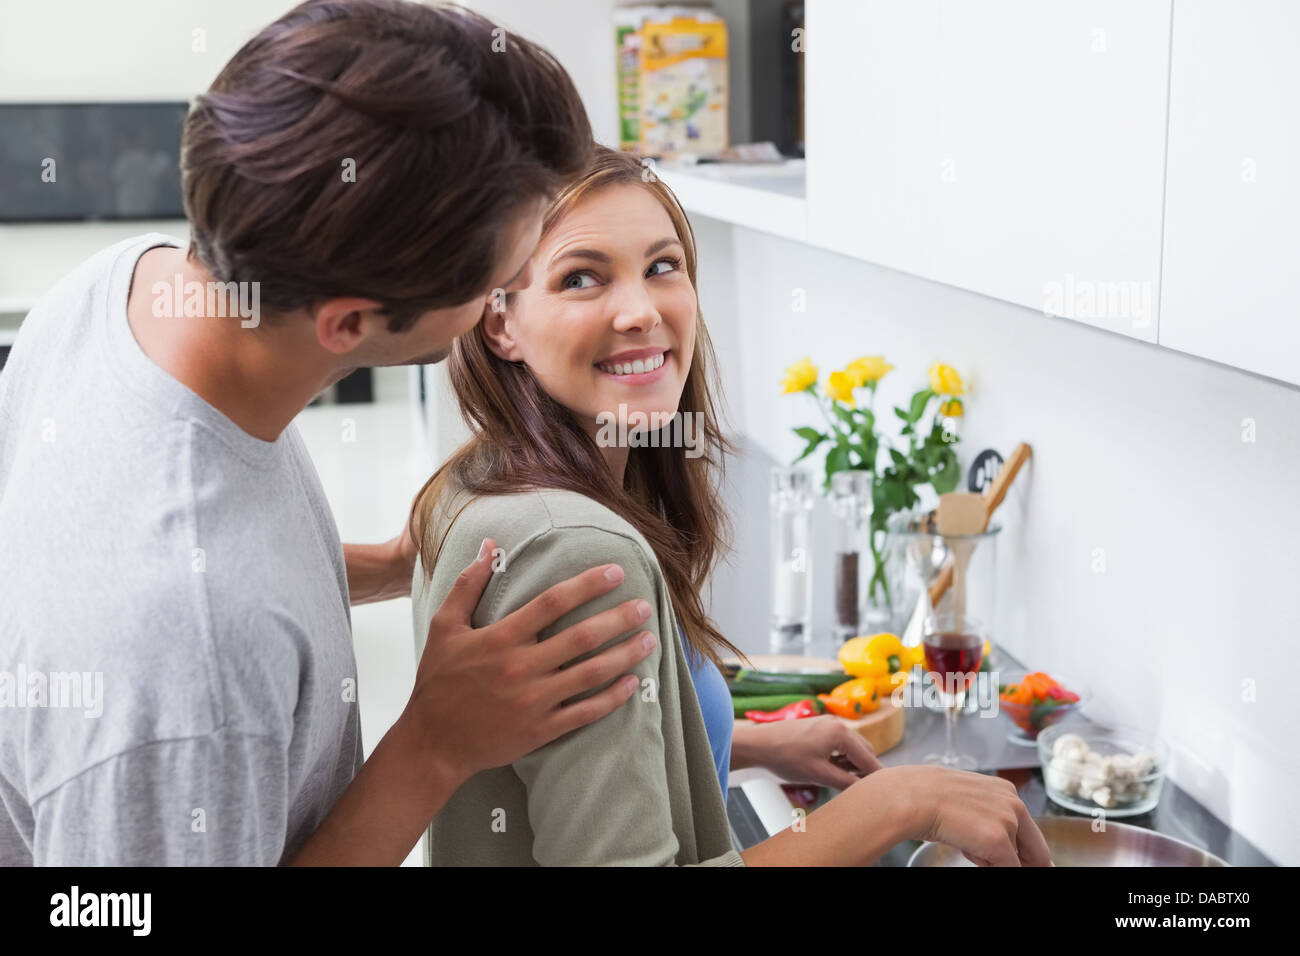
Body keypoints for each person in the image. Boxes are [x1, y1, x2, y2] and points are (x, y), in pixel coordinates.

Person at [0, 0, 658, 866]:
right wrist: (434, 744)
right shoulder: (180, 682)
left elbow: (98, 546)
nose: (508, 301)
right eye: (500, 284)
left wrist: (387, 566)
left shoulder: (126, 287)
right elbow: (186, 611)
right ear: (350, 326)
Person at [411, 146, 1052, 866]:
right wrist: (900, 802)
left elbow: (569, 752)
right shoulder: (578, 553)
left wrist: (751, 741)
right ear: (500, 323)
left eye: (662, 266)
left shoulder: (473, 481)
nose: (640, 312)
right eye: (581, 278)